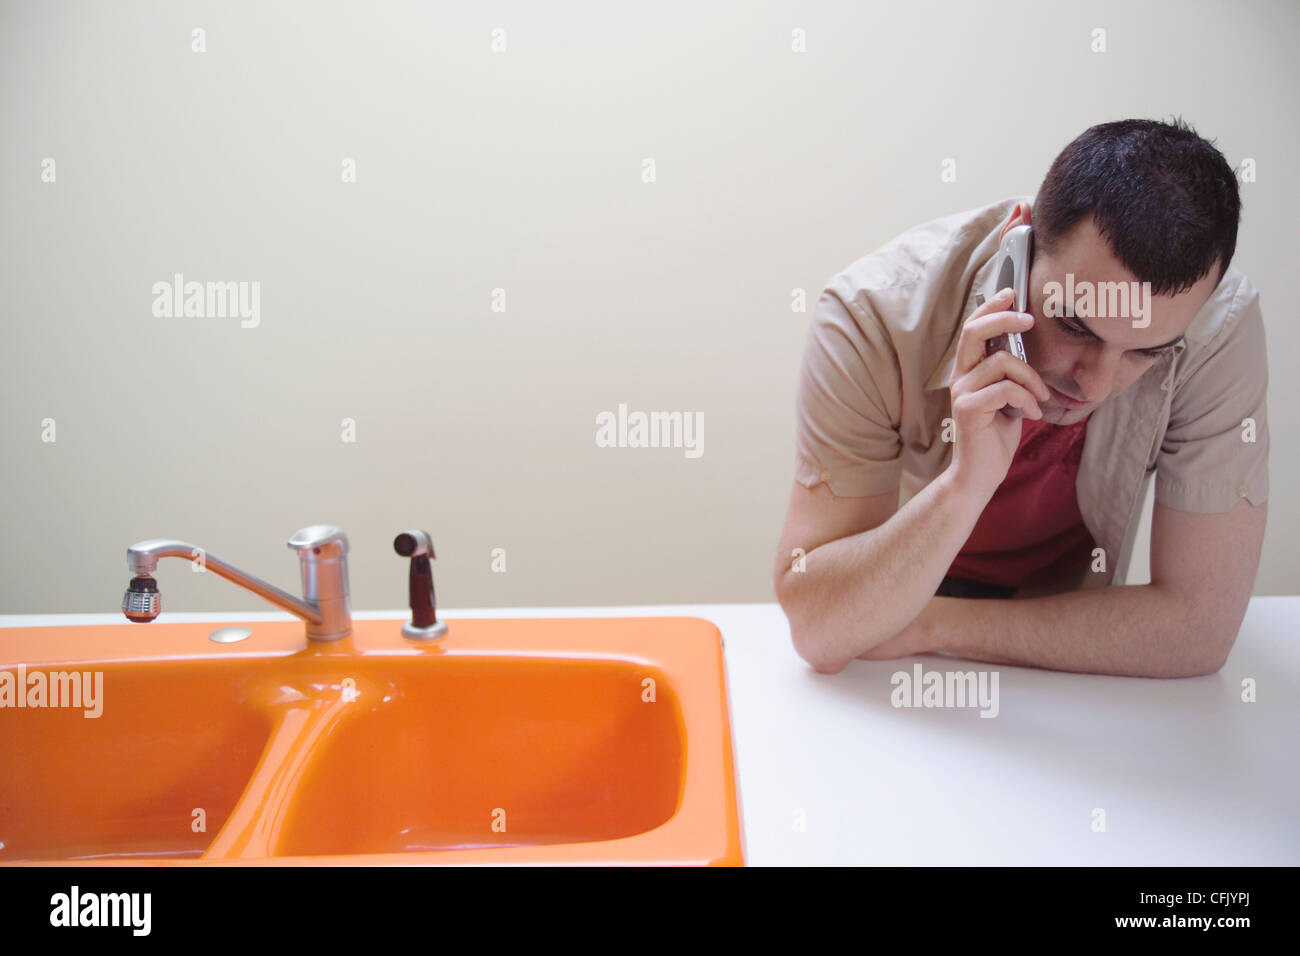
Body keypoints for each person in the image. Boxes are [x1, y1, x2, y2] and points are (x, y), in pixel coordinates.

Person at [774, 118, 1268, 678]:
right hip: (891, 661)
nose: (1095, 386)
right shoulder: (872, 317)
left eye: (1145, 354)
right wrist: (966, 484)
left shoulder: (1215, 331)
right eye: (1075, 325)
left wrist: (934, 624)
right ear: (1020, 241)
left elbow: (1198, 630)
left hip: (1040, 654)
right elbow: (818, 632)